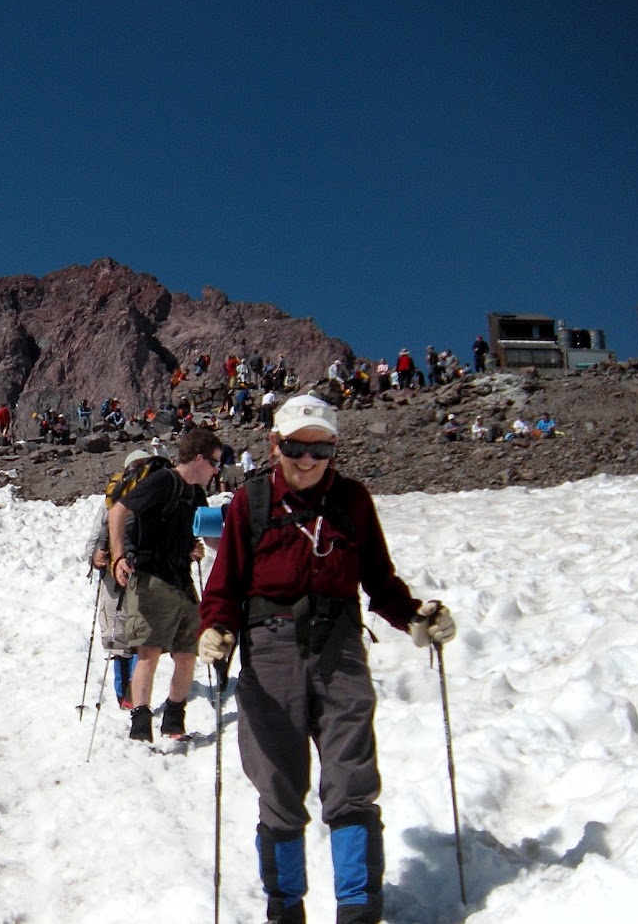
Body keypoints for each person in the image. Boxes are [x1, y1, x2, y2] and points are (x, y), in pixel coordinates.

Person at [198, 394, 456, 924]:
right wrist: (217, 628)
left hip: (339, 648)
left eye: (321, 449)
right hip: (270, 651)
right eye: (296, 447)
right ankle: (286, 907)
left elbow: (379, 579)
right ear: (275, 444)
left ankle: (358, 907)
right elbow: (225, 584)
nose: (308, 460)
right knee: (277, 781)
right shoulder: (251, 502)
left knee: (351, 777)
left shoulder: (352, 500)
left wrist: (414, 617)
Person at [108, 426, 226, 742]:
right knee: (149, 651)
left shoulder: (196, 494)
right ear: (199, 458)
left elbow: (212, 537)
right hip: (151, 577)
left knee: (187, 652)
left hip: (180, 579)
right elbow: (118, 511)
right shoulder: (163, 481)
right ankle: (141, 724)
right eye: (214, 462)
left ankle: (174, 720)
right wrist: (118, 557)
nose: (217, 470)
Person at [87, 449, 154, 708]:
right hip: (133, 576)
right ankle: (130, 694)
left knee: (129, 635)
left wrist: (96, 556)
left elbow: (93, 540)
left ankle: (128, 694)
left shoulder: (113, 501)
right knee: (127, 636)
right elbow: (93, 543)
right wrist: (96, 556)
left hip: (128, 577)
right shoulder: (116, 502)